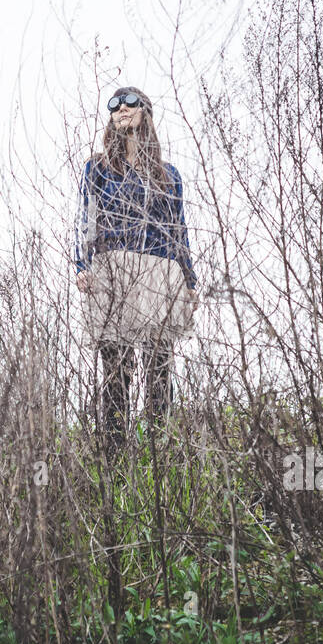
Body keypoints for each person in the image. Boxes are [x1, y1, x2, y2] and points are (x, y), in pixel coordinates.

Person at [74, 86, 199, 455]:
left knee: (159, 368)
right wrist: (82, 264)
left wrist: (190, 281)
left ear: (145, 112)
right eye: (114, 104)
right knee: (116, 371)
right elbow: (87, 219)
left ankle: (158, 453)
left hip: (160, 272)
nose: (122, 108)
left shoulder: (169, 175)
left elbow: (179, 230)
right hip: (113, 270)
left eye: (130, 103)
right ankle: (114, 459)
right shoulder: (97, 168)